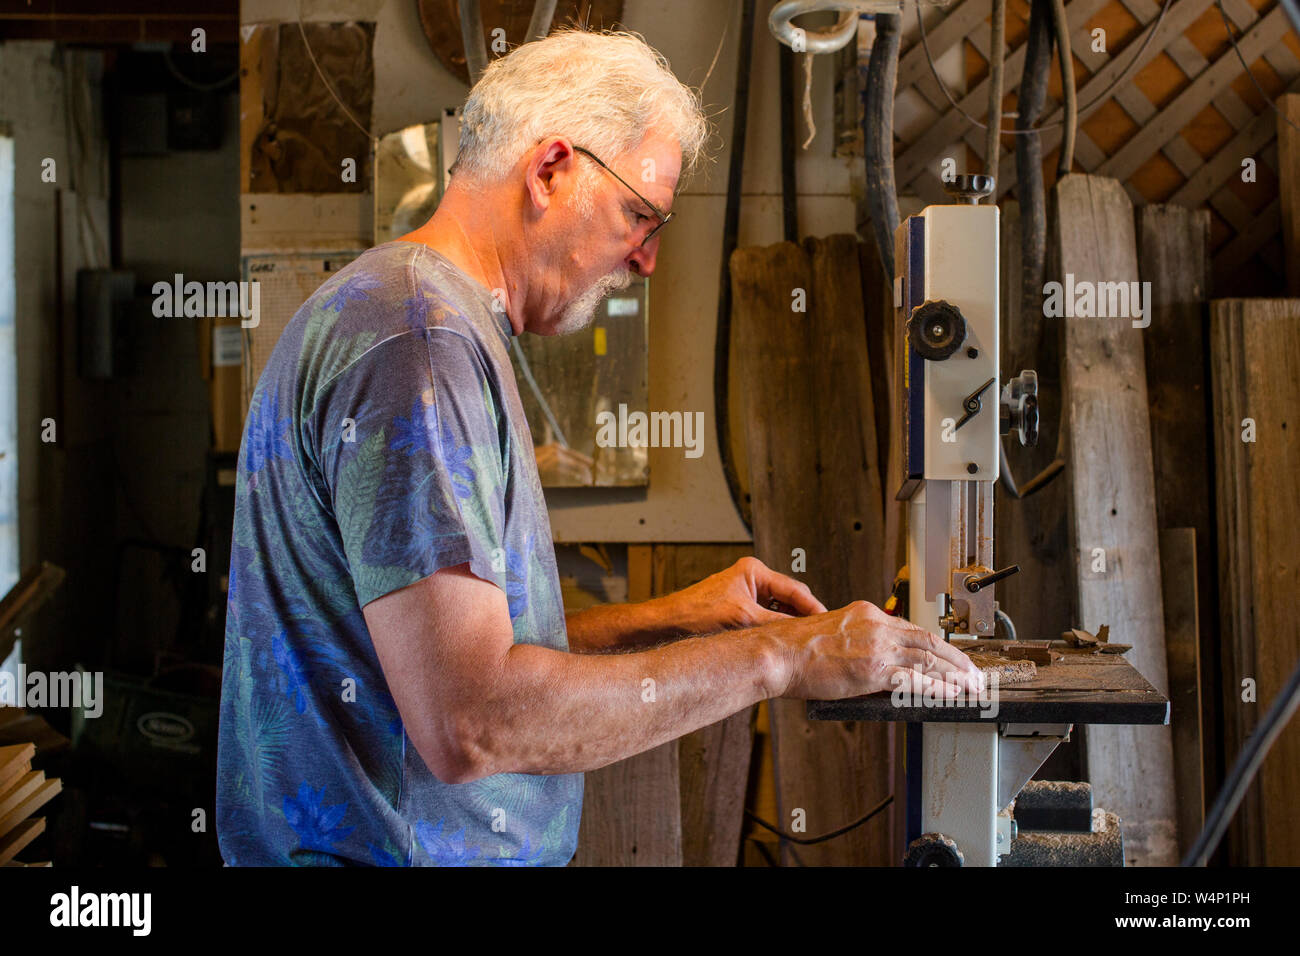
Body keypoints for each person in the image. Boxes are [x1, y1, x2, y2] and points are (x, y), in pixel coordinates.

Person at [215, 27, 982, 867]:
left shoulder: (408, 312)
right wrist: (782, 657)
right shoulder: (417, 343)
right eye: (638, 215)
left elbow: (450, 657)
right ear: (550, 170)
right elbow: (474, 720)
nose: (647, 260)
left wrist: (673, 621)